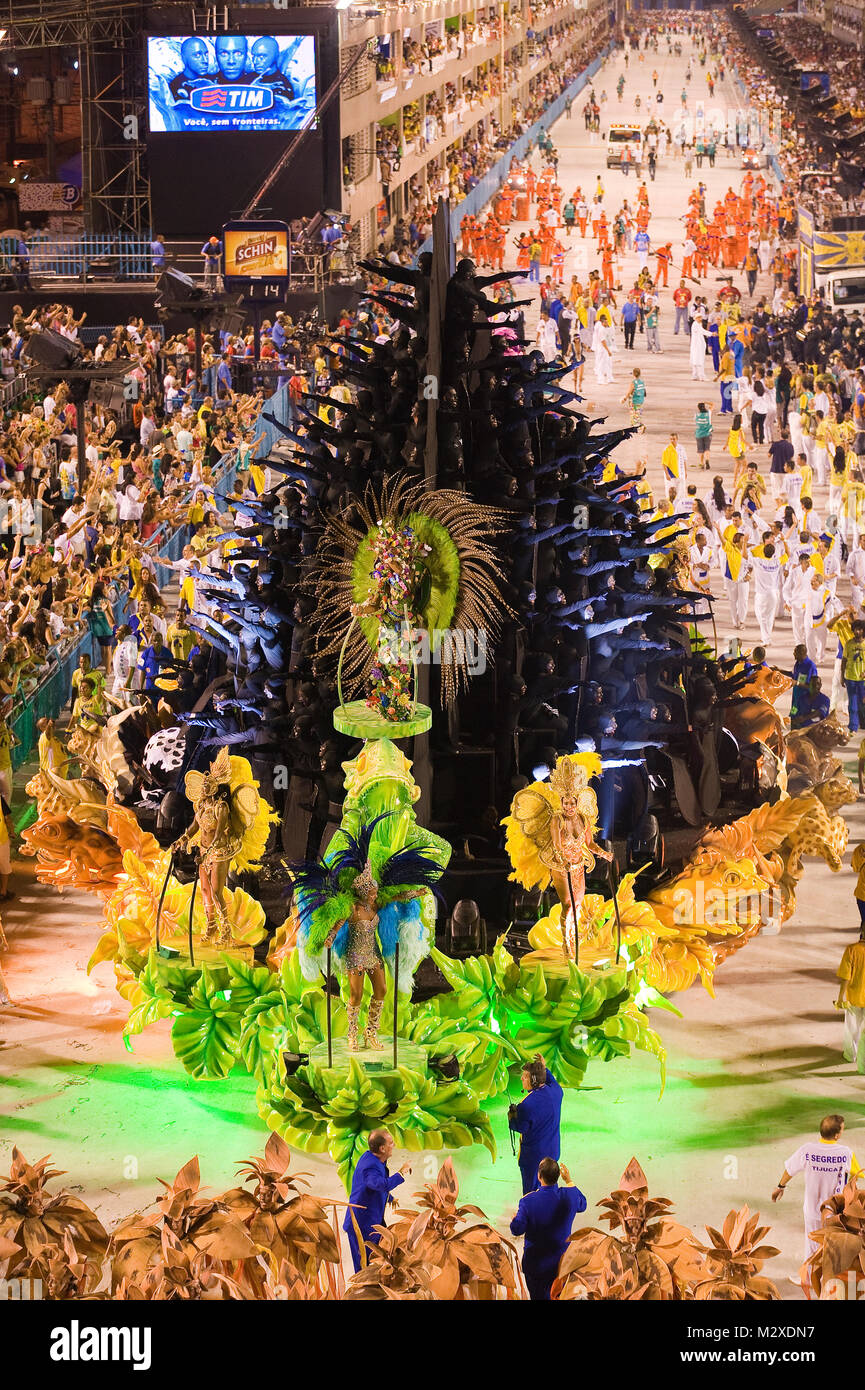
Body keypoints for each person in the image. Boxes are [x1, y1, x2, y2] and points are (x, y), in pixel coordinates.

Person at [772, 1115, 861, 1262]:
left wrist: (780, 1186)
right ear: (837, 1135)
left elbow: (790, 1169)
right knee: (832, 1247)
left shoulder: (807, 1150)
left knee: (811, 1246)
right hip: (835, 1211)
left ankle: (808, 1279)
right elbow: (855, 1176)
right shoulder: (846, 1153)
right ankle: (828, 1280)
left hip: (812, 1210)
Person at [510, 1157, 587, 1301]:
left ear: (539, 1176)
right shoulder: (569, 1195)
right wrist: (569, 1181)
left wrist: (514, 1219)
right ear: (559, 1176)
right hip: (562, 1265)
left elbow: (517, 1230)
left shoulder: (527, 1201)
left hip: (535, 1266)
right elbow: (583, 1204)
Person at [343, 1129, 411, 1272]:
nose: (394, 1145)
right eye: (391, 1143)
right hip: (360, 1225)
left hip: (372, 1221)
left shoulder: (374, 1159)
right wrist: (401, 1172)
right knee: (363, 1267)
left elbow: (376, 1186)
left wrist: (389, 1197)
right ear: (382, 1148)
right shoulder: (370, 1166)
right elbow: (380, 1184)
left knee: (382, 1254)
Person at [508, 1054, 563, 1195]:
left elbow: (520, 1127)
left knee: (530, 1193)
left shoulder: (526, 1105)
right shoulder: (557, 1091)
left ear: (533, 1080)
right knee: (549, 1186)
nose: (521, 1078)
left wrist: (512, 1117)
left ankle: (531, 1215)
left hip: (533, 1160)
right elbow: (550, 1079)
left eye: (525, 1076)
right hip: (552, 1152)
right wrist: (543, 1067)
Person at [836, 925, 865, 1073]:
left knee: (852, 1029)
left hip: (854, 997)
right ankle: (863, 1066)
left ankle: (850, 1055)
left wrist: (840, 998)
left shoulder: (852, 950)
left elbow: (845, 977)